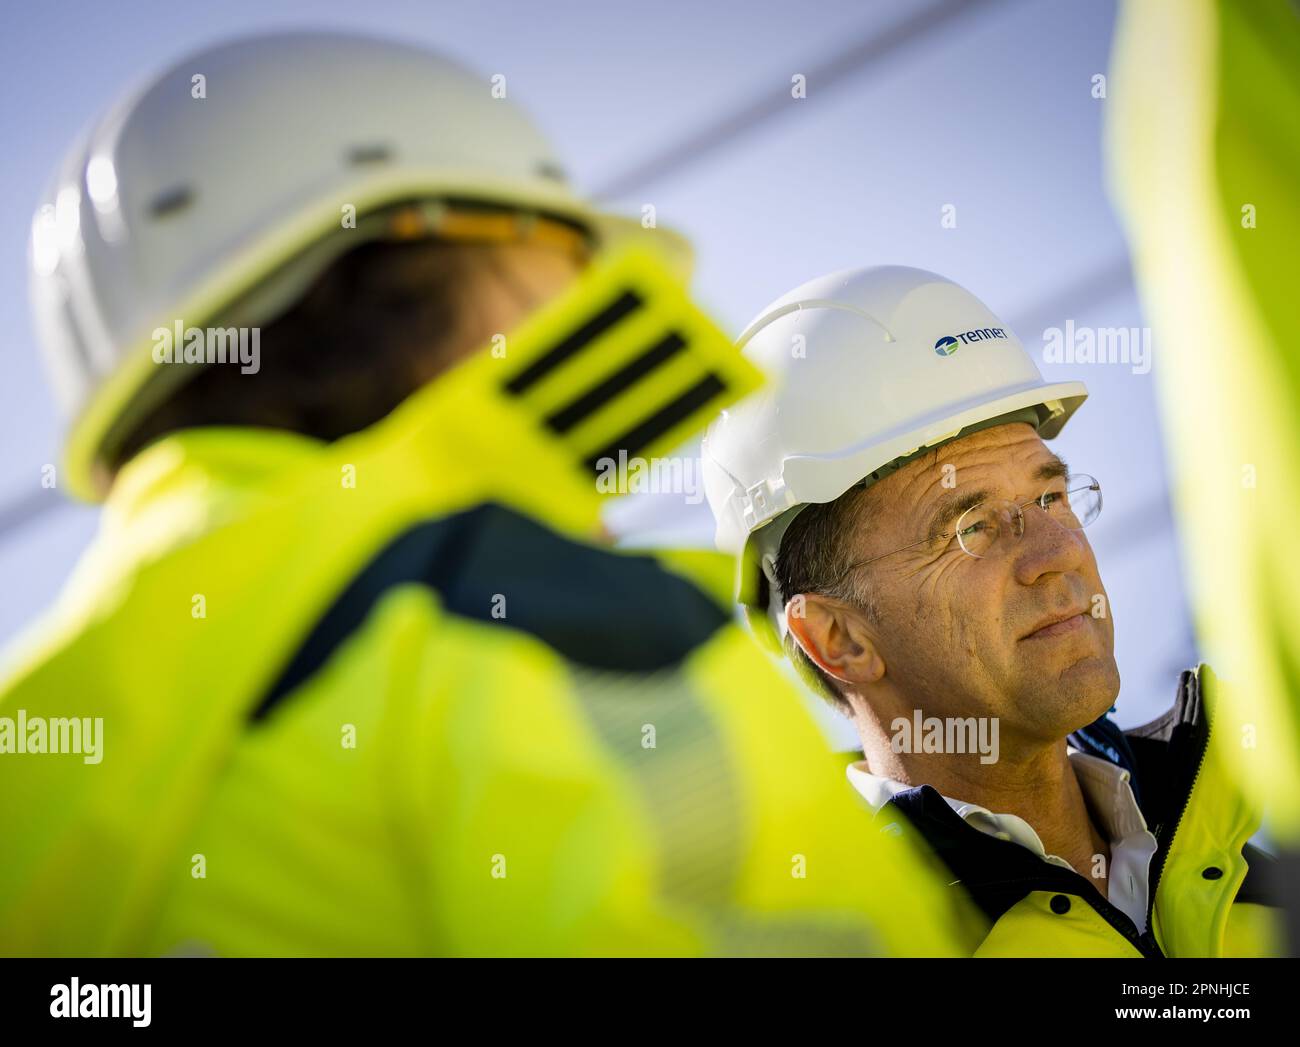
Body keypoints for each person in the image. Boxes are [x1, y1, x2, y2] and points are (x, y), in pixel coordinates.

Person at [0, 31, 967, 957]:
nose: (585, 302)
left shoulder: (40, 747)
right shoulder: (542, 617)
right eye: (565, 266)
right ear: (427, 251)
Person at [703, 264, 1286, 956]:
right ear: (838, 637)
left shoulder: (1252, 874)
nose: (1057, 552)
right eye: (971, 527)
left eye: (1051, 497)